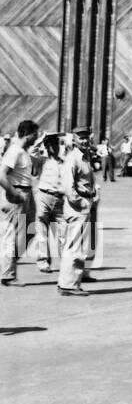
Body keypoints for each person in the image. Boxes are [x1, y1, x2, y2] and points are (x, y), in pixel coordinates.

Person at [57, 128, 99, 297]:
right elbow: (68, 186)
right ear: (73, 140)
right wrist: (81, 202)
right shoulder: (72, 159)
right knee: (74, 246)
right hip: (78, 206)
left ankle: (71, 283)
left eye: (86, 138)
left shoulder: (85, 156)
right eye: (80, 138)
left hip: (85, 202)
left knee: (77, 245)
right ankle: (68, 285)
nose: (84, 141)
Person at [1, 119, 40, 285]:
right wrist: (14, 193)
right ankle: (7, 275)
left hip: (27, 193)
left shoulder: (24, 152)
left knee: (30, 230)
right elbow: (1, 175)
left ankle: (8, 265)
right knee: (12, 234)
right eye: (34, 135)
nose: (36, 138)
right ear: (27, 134)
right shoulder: (15, 151)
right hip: (16, 194)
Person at [33, 134, 65, 274]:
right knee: (42, 231)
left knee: (63, 233)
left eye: (56, 144)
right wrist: (42, 139)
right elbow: (32, 152)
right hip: (43, 197)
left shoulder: (65, 162)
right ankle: (43, 262)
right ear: (46, 147)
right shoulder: (42, 161)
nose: (54, 147)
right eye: (50, 145)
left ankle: (66, 261)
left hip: (60, 200)